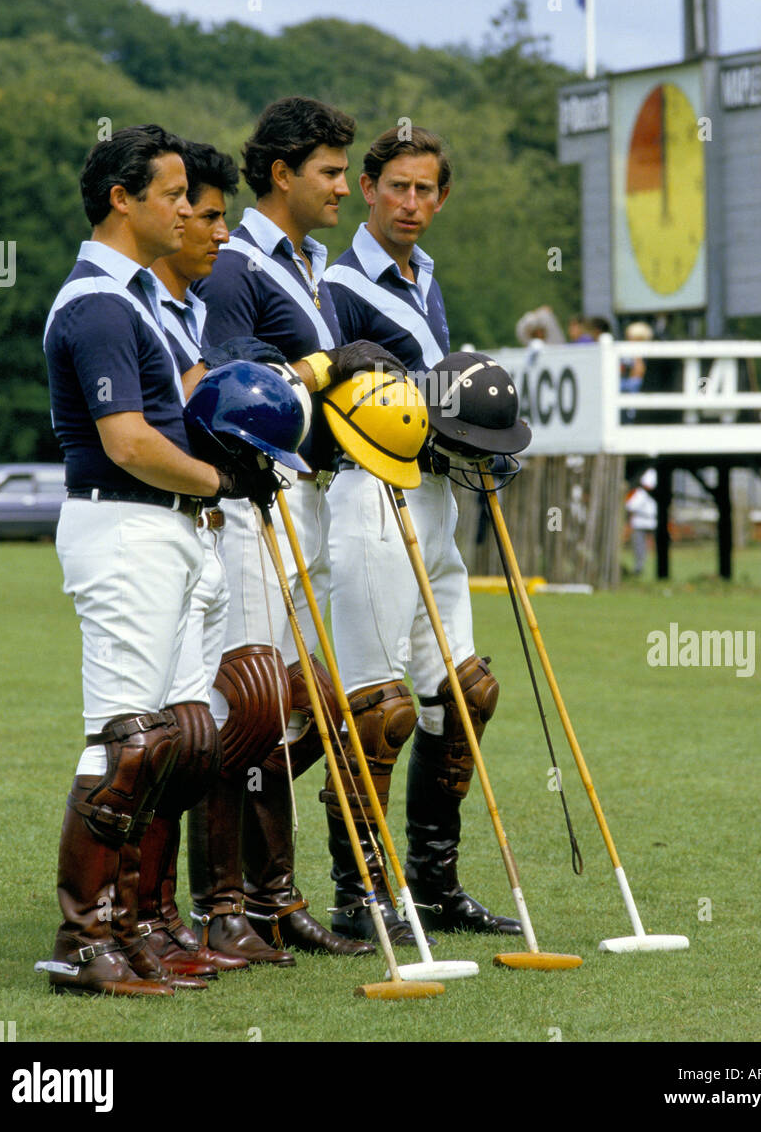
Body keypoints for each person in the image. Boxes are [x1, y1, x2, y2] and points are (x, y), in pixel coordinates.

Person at [40, 125, 262, 997]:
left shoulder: (145, 300)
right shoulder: (96, 302)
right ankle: (81, 940)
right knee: (125, 743)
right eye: (171, 194)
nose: (187, 208)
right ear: (121, 200)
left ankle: (135, 928)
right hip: (126, 525)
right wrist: (217, 477)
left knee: (172, 740)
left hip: (171, 530)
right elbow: (128, 441)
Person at [191, 96, 397, 962]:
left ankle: (275, 897)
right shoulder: (236, 264)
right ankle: (222, 906)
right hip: (249, 504)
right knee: (251, 702)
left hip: (308, 501)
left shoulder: (313, 264)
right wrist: (320, 366)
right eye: (328, 172)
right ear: (281, 173)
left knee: (296, 705)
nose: (344, 188)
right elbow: (229, 380)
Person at [322, 125, 521, 942]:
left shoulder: (425, 277)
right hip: (370, 494)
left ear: (441, 197)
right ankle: (361, 895)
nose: (410, 204)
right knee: (377, 708)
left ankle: (435, 887)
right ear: (366, 188)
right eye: (395, 187)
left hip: (437, 500)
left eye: (425, 190)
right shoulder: (337, 283)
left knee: (462, 696)